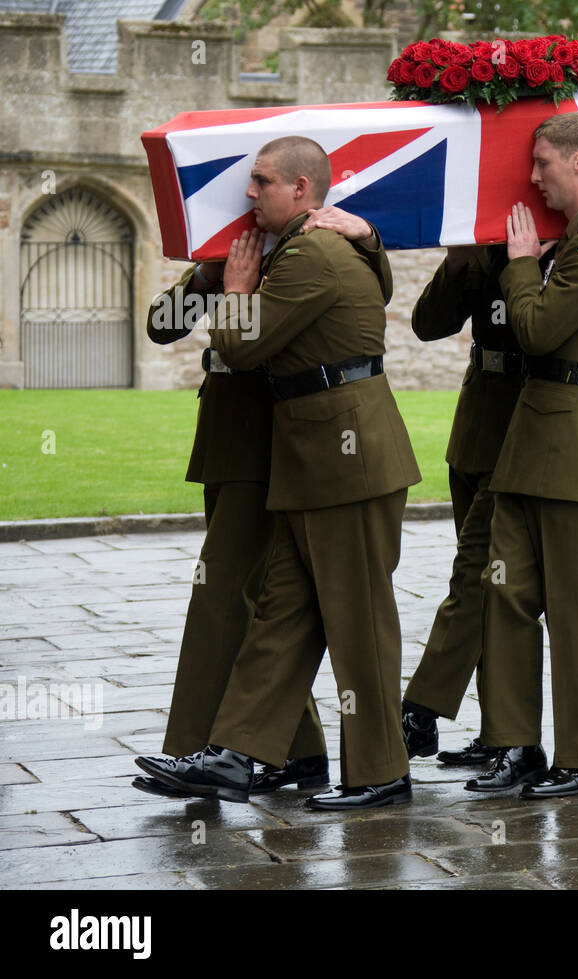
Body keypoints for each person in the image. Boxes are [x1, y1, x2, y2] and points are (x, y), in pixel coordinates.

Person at [136, 136, 422, 809]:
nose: (248, 193)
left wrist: (239, 289)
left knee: (344, 615)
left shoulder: (312, 249)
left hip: (329, 451)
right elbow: (162, 325)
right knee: (283, 613)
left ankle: (377, 768)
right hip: (296, 451)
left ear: (300, 188)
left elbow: (244, 343)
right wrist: (210, 278)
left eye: (261, 181)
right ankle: (242, 754)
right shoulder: (276, 248)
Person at [471, 111, 578, 799]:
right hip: (535, 436)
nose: (533, 176)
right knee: (506, 590)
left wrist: (520, 266)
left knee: (575, 607)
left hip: (575, 439)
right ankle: (515, 743)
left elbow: (538, 331)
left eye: (543, 162)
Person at [398, 240, 553, 767]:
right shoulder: (486, 247)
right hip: (476, 425)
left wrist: (527, 260)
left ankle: (418, 713)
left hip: (521, 428)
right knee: (487, 584)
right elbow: (427, 325)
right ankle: (500, 733)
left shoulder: (559, 250)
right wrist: (457, 262)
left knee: (475, 578)